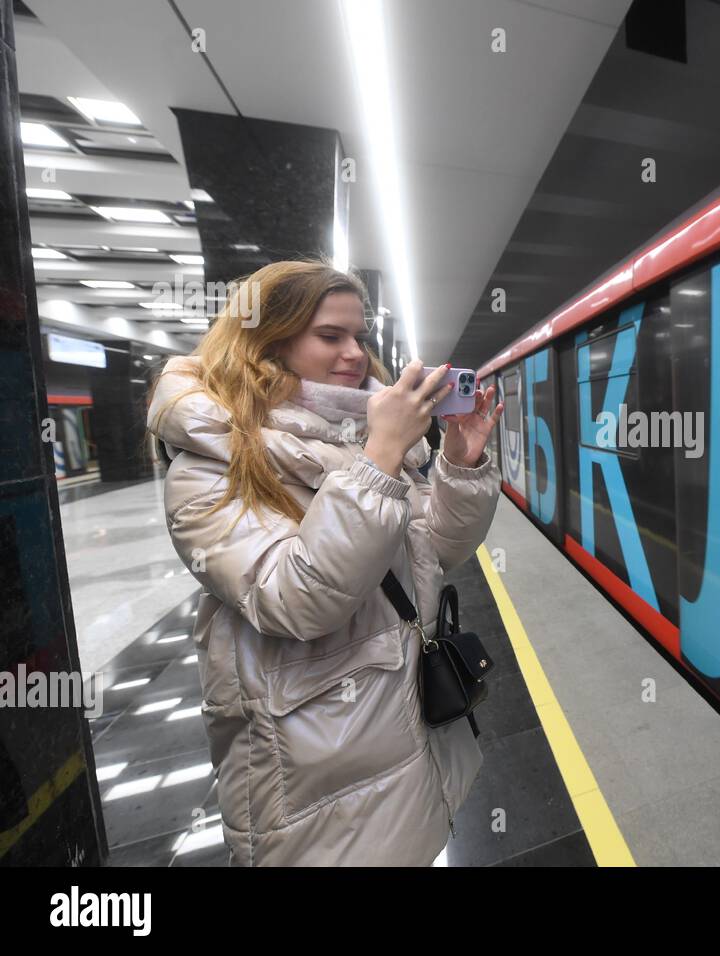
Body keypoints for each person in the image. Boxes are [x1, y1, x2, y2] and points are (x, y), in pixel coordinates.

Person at [145, 259, 502, 866]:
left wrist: (460, 468)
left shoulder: (357, 434)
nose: (355, 354)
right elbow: (294, 598)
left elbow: (435, 551)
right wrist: (382, 456)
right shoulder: (209, 465)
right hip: (316, 774)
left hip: (403, 729)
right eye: (330, 336)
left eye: (359, 336)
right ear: (266, 340)